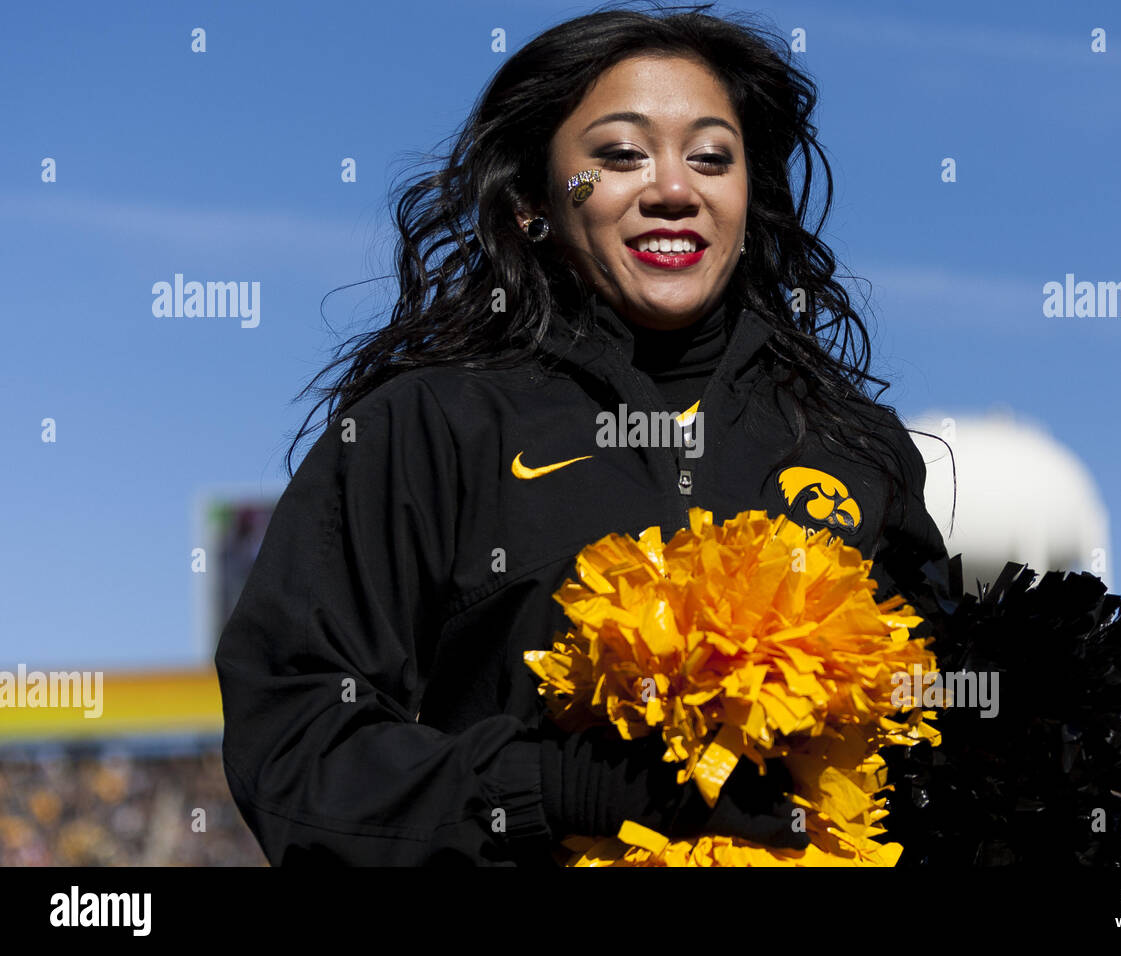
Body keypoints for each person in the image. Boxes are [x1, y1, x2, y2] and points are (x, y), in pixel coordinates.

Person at [214, 3, 950, 867]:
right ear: (531, 200)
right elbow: (295, 741)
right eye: (620, 154)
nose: (675, 187)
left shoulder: (855, 445)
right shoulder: (428, 425)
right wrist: (561, 789)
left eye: (712, 156)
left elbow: (935, 741)